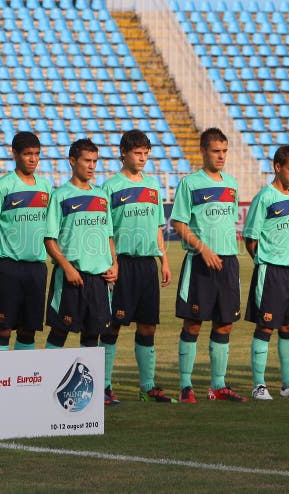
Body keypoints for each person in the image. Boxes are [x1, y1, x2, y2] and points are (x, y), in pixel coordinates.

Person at [171, 128, 246, 403]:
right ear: (203, 151)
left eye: (224, 151)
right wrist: (203, 249)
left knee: (225, 324)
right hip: (200, 263)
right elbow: (178, 223)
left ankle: (218, 386)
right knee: (193, 324)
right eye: (216, 151)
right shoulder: (190, 183)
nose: (221, 156)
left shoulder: (232, 184)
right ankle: (185, 386)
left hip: (228, 262)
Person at [100, 130, 174, 405]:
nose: (142, 158)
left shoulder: (153, 186)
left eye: (146, 154)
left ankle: (148, 387)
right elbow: (106, 230)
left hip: (147, 266)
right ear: (123, 153)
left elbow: (157, 227)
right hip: (122, 265)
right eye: (137, 153)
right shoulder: (110, 187)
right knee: (113, 327)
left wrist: (164, 260)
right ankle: (104, 386)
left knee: (148, 326)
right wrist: (112, 262)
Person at [243, 145, 289, 400]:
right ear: (277, 167)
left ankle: (288, 384)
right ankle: (259, 386)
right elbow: (250, 238)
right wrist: (265, 261)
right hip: (271, 271)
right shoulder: (265, 197)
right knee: (265, 327)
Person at [43, 139, 117, 353]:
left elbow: (108, 235)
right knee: (59, 332)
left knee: (93, 334)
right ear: (72, 161)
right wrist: (67, 268)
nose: (92, 166)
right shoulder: (60, 196)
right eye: (87, 161)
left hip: (99, 278)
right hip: (71, 276)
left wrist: (114, 263)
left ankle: (88, 377)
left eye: (95, 161)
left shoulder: (101, 196)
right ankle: (48, 374)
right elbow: (49, 239)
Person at [0, 132, 52, 352]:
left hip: (37, 268)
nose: (33, 159)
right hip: (9, 267)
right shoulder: (3, 186)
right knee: (3, 328)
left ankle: (23, 375)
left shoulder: (45, 187)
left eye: (36, 154)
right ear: (15, 154)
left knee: (29, 329)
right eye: (27, 154)